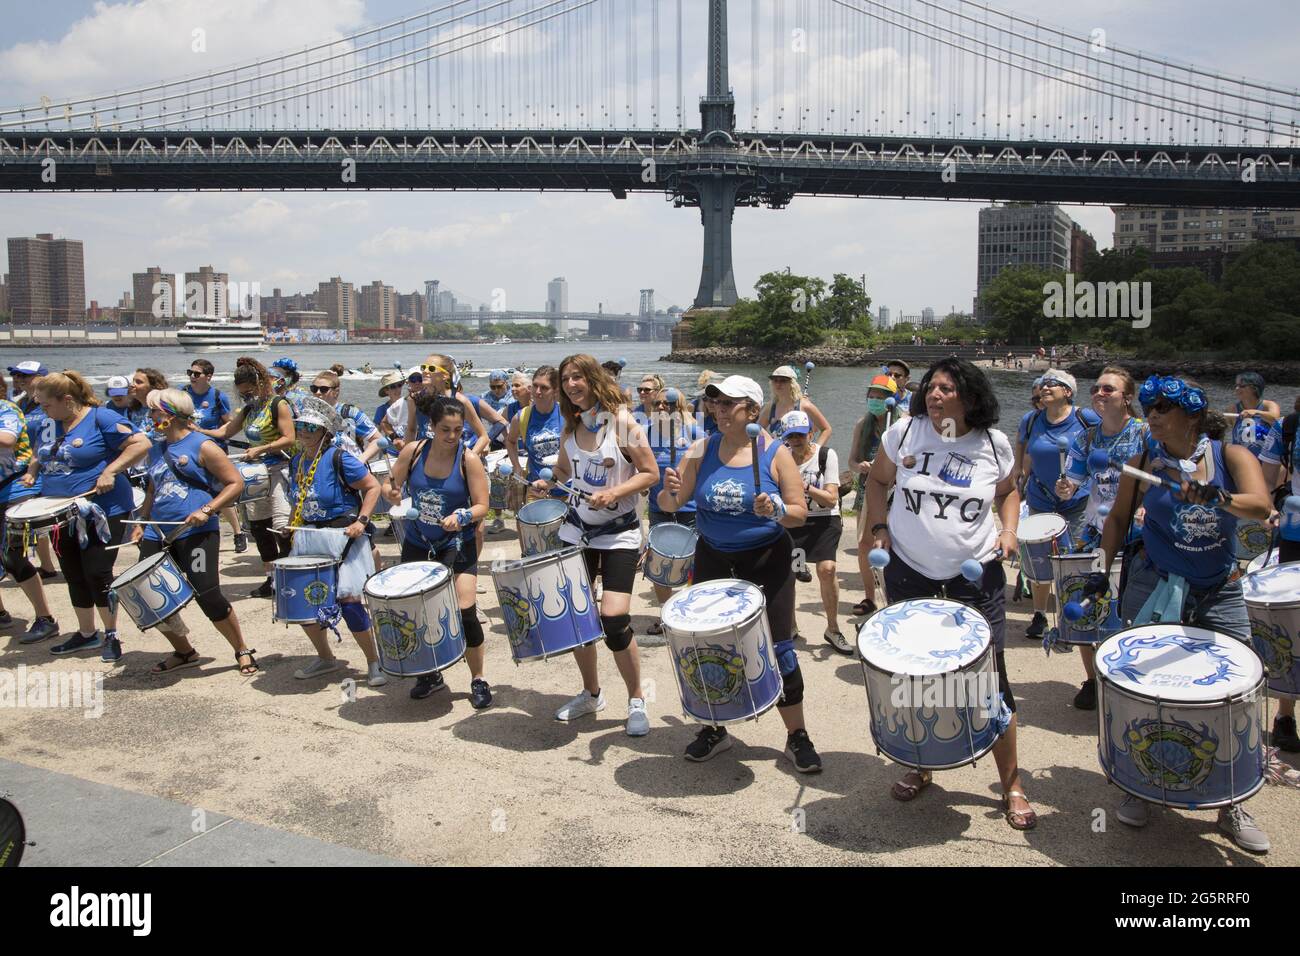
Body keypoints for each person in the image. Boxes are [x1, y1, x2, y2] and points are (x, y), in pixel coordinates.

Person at [1093, 374, 1274, 852]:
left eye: (1162, 408)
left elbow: (1260, 506)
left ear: (1192, 415)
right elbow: (1117, 518)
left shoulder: (1231, 455)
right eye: (1149, 407)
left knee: (1236, 694)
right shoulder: (1143, 459)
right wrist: (1098, 572)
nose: (1151, 415)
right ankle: (1140, 785)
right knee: (1146, 688)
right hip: (1155, 584)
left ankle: (1232, 799)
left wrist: (1219, 497)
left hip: (1218, 589)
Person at [863, 358, 1033, 829]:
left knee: (989, 680)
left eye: (946, 388)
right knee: (917, 675)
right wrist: (879, 528)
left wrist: (1009, 531)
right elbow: (878, 481)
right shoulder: (904, 432)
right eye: (931, 387)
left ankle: (1012, 784)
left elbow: (1008, 493)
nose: (934, 395)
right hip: (910, 573)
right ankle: (921, 764)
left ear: (971, 398)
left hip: (973, 578)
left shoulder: (993, 444)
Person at [658, 374, 821, 771]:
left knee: (780, 649)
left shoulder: (776, 453)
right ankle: (715, 728)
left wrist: (777, 510)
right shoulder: (701, 449)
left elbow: (799, 514)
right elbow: (670, 503)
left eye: (728, 403)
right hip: (714, 558)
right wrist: (669, 490)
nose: (719, 410)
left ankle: (797, 735)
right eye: (714, 402)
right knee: (706, 646)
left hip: (767, 559)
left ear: (752, 410)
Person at [532, 354, 658, 737]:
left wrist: (614, 492)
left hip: (619, 533)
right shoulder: (571, 428)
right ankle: (591, 694)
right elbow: (564, 471)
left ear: (592, 379)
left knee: (614, 619)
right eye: (565, 379)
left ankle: (636, 699)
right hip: (577, 531)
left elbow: (650, 472)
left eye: (577, 377)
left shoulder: (622, 423)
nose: (571, 385)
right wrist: (548, 482)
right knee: (577, 618)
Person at [127, 389, 257, 676]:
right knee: (149, 594)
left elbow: (234, 483)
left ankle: (241, 648)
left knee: (206, 592)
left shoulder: (203, 445)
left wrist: (207, 510)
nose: (150, 416)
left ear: (171, 415)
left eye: (154, 411)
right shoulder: (156, 448)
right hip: (158, 532)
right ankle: (184, 651)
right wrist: (141, 522)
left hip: (196, 531)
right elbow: (153, 489)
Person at [22, 371, 150, 661]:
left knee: (97, 573)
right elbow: (39, 453)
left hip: (102, 510)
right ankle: (86, 633)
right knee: (73, 573)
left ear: (67, 400)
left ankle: (111, 633)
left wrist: (110, 471)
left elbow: (141, 444)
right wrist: (32, 472)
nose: (43, 410)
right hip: (59, 510)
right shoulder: (49, 422)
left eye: (46, 404)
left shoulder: (100, 418)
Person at [383, 394, 493, 708]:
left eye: (458, 430)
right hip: (418, 541)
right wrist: (391, 493)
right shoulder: (413, 451)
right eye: (445, 429)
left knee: (465, 610)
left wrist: (463, 516)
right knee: (417, 611)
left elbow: (483, 505)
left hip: (457, 543)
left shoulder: (468, 459)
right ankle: (430, 674)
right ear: (432, 426)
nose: (452, 436)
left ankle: (478, 678)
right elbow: (389, 484)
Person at [1054, 367, 1148, 710]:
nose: (1099, 393)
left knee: (1132, 611)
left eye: (1109, 389)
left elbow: (1164, 476)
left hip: (1140, 536)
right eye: (1096, 388)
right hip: (1097, 531)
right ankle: (1092, 679)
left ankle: (1127, 678)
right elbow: (1074, 482)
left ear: (1128, 397)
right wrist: (1065, 487)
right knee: (1085, 601)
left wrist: (1147, 505)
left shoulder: (1145, 433)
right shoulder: (1087, 438)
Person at [283, 397, 386, 686]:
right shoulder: (297, 461)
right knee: (306, 603)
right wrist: (290, 525)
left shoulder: (340, 457)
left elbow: (373, 487)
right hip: (309, 537)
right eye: (300, 426)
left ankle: (373, 662)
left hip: (342, 537)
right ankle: (326, 658)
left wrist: (361, 521)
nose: (303, 431)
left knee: (350, 603)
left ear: (324, 432)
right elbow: (299, 498)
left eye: (310, 427)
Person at [1013, 369, 1099, 639]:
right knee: (1040, 559)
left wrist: (1079, 482)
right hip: (1040, 499)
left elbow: (1104, 448)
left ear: (1068, 392)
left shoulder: (1086, 418)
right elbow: (1022, 445)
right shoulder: (1031, 420)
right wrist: (1019, 472)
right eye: (1044, 384)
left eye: (1053, 384)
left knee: (1072, 561)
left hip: (1077, 501)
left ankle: (1070, 616)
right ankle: (1039, 615)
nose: (1045, 387)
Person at [218, 357, 296, 597]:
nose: (246, 397)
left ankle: (289, 577)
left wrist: (262, 448)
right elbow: (226, 431)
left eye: (249, 392)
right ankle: (271, 579)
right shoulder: (249, 409)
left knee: (282, 527)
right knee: (260, 528)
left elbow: (289, 438)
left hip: (281, 469)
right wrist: (195, 430)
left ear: (261, 384)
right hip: (257, 473)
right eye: (242, 394)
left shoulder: (278, 404)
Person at [0, 370, 60, 644]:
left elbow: (7, 439)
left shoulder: (7, 409)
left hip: (15, 488)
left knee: (12, 556)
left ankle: (45, 618)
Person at [781, 410, 846, 653]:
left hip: (824, 520)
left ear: (811, 433)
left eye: (800, 435)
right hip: (794, 522)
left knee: (827, 569)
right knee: (790, 573)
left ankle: (833, 628)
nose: (796, 440)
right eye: (791, 436)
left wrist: (805, 487)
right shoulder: (782, 458)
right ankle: (791, 627)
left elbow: (831, 499)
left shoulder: (826, 455)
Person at [1258, 393, 1300, 752]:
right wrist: (1269, 507)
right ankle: (1285, 715)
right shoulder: (1289, 426)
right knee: (1292, 621)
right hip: (1296, 532)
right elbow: (1268, 476)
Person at [643, 385, 703, 635]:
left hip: (690, 508)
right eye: (657, 403)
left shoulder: (694, 432)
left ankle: (690, 614)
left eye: (667, 403)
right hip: (658, 507)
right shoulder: (646, 433)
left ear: (679, 407)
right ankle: (665, 615)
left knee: (693, 563)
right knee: (659, 562)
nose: (661, 407)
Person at [849, 373, 903, 617]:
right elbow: (851, 460)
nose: (875, 399)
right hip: (868, 488)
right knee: (865, 543)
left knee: (896, 543)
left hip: (897, 489)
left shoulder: (904, 424)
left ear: (892, 398)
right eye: (871, 395)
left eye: (880, 396)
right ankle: (870, 597)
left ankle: (895, 595)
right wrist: (860, 466)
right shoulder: (863, 424)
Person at [184, 358, 248, 554]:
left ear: (209, 376)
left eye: (197, 374)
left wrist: (207, 432)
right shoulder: (183, 394)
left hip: (214, 450)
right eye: (190, 373)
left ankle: (238, 533)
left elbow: (228, 424)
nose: (192, 377)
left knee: (221, 492)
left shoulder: (218, 396)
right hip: (189, 450)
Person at [7, 361, 58, 580]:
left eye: (25, 375)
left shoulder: (50, 405)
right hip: (26, 468)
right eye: (17, 375)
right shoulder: (22, 403)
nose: (19, 379)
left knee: (38, 518)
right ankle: (46, 565)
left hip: (46, 468)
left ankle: (41, 564)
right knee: (36, 520)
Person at [505, 366, 563, 503]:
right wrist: (516, 466)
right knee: (529, 517)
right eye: (535, 386)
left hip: (565, 488)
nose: (537, 392)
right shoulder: (522, 417)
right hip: (536, 489)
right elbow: (510, 441)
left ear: (555, 391)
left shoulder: (567, 414)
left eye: (544, 388)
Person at [317, 367, 380, 462]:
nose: (317, 393)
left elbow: (377, 439)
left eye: (323, 389)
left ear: (336, 392)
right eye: (314, 389)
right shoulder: (310, 414)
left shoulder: (350, 412)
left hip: (349, 468)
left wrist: (359, 462)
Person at [760, 365, 831, 444]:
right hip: (778, 451)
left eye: (783, 381)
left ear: (792, 384)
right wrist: (764, 447)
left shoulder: (805, 406)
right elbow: (758, 431)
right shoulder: (769, 408)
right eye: (775, 380)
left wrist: (817, 449)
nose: (778, 384)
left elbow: (826, 429)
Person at [1228, 371, 1281, 458]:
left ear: (1254, 388)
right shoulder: (1233, 409)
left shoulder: (1269, 405)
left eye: (1242, 386)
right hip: (1241, 459)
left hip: (1265, 459)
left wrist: (1256, 412)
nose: (1237, 388)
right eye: (1236, 385)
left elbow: (1276, 419)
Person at [691, 370, 720, 437]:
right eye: (705, 398)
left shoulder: (727, 411)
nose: (709, 403)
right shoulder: (694, 407)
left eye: (712, 399)